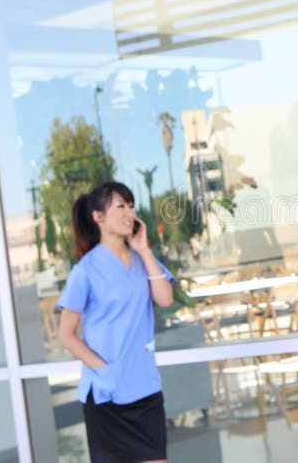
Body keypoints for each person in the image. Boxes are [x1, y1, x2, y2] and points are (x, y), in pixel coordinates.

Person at [57, 181, 174, 462]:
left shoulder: (142, 259)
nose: (129, 213)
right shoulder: (85, 271)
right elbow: (66, 334)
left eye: (131, 206)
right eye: (120, 206)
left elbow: (166, 299)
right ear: (98, 217)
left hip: (144, 390)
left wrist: (144, 250)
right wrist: (104, 371)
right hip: (106, 396)